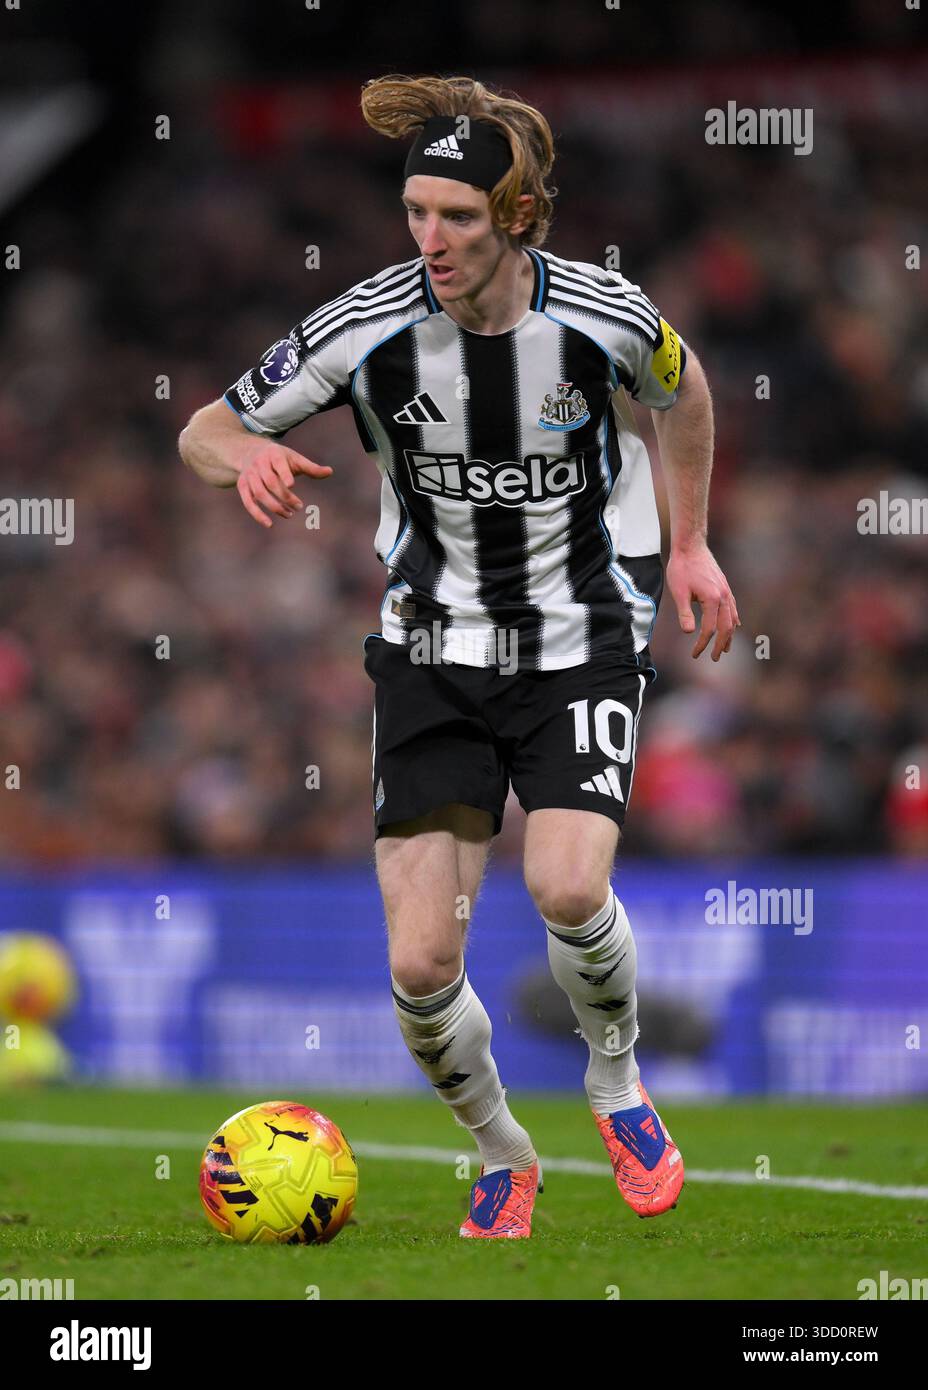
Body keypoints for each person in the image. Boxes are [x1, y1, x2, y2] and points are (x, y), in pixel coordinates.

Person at [179, 73, 740, 1239]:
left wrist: (688, 544)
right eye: (416, 211)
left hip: (579, 634)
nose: (430, 238)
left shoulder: (602, 313)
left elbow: (681, 394)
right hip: (429, 652)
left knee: (568, 885)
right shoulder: (364, 325)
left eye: (458, 216)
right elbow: (206, 427)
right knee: (424, 963)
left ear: (518, 216)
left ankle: (616, 1083)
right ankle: (501, 1150)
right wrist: (248, 457)